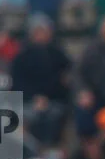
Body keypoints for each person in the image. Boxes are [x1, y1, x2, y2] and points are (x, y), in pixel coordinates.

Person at [11, 15, 73, 147]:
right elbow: (17, 84)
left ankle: (51, 150)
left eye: (44, 31)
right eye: (37, 32)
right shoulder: (21, 57)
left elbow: (64, 81)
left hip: (54, 100)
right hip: (28, 101)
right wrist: (34, 98)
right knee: (21, 116)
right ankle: (30, 152)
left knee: (55, 115)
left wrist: (47, 98)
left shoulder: (59, 55)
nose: (41, 35)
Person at [77, 18, 105, 103]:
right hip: (95, 95)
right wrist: (84, 91)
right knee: (83, 106)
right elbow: (79, 73)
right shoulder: (91, 50)